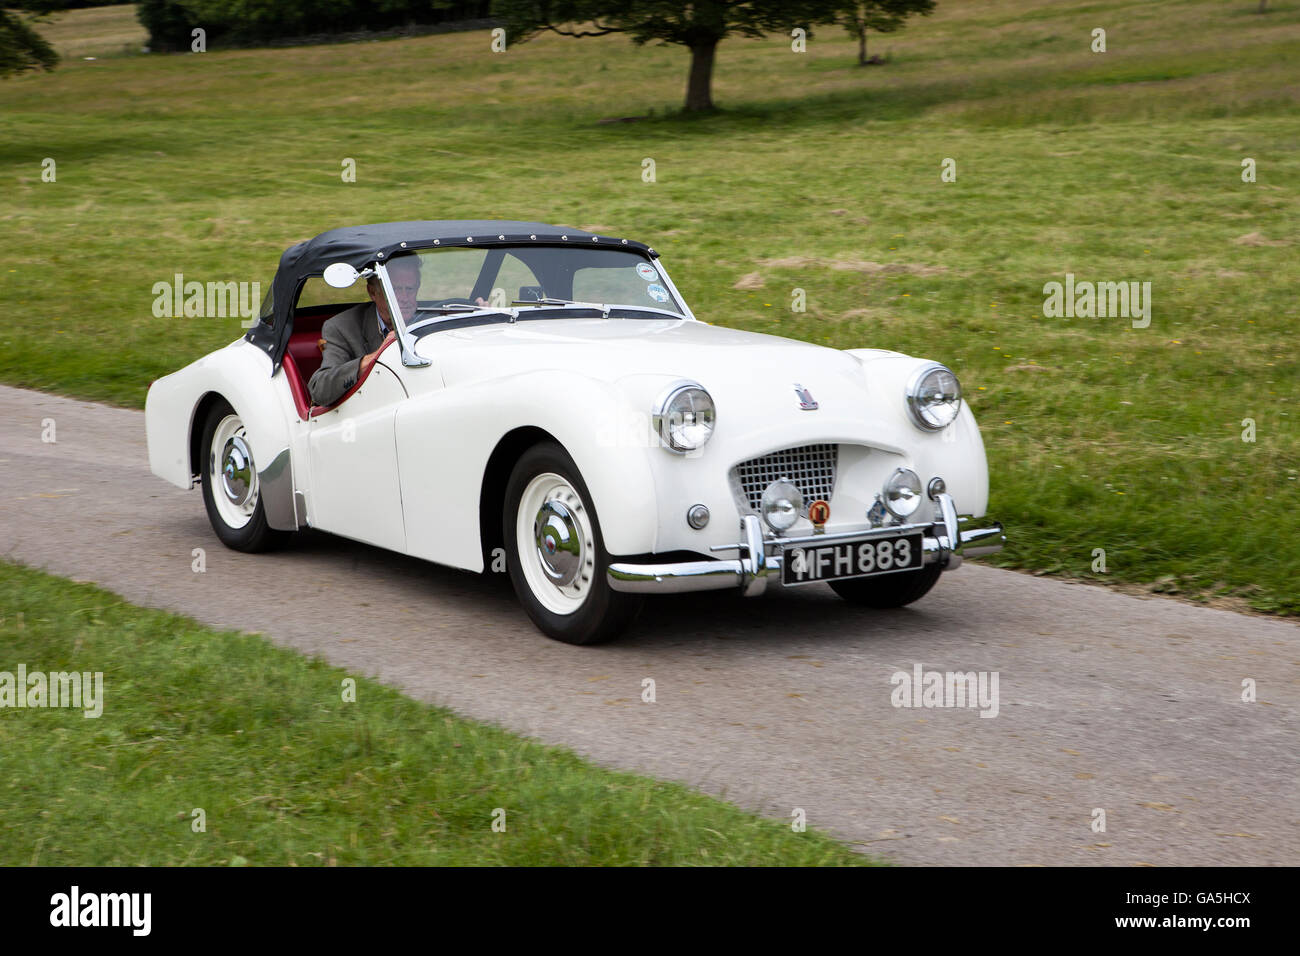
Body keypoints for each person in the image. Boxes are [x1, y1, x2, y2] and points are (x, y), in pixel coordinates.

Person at [308, 256, 420, 408]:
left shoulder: (434, 319)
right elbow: (320, 390)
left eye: (410, 289)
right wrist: (377, 357)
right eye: (394, 290)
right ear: (372, 292)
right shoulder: (342, 327)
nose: (405, 298)